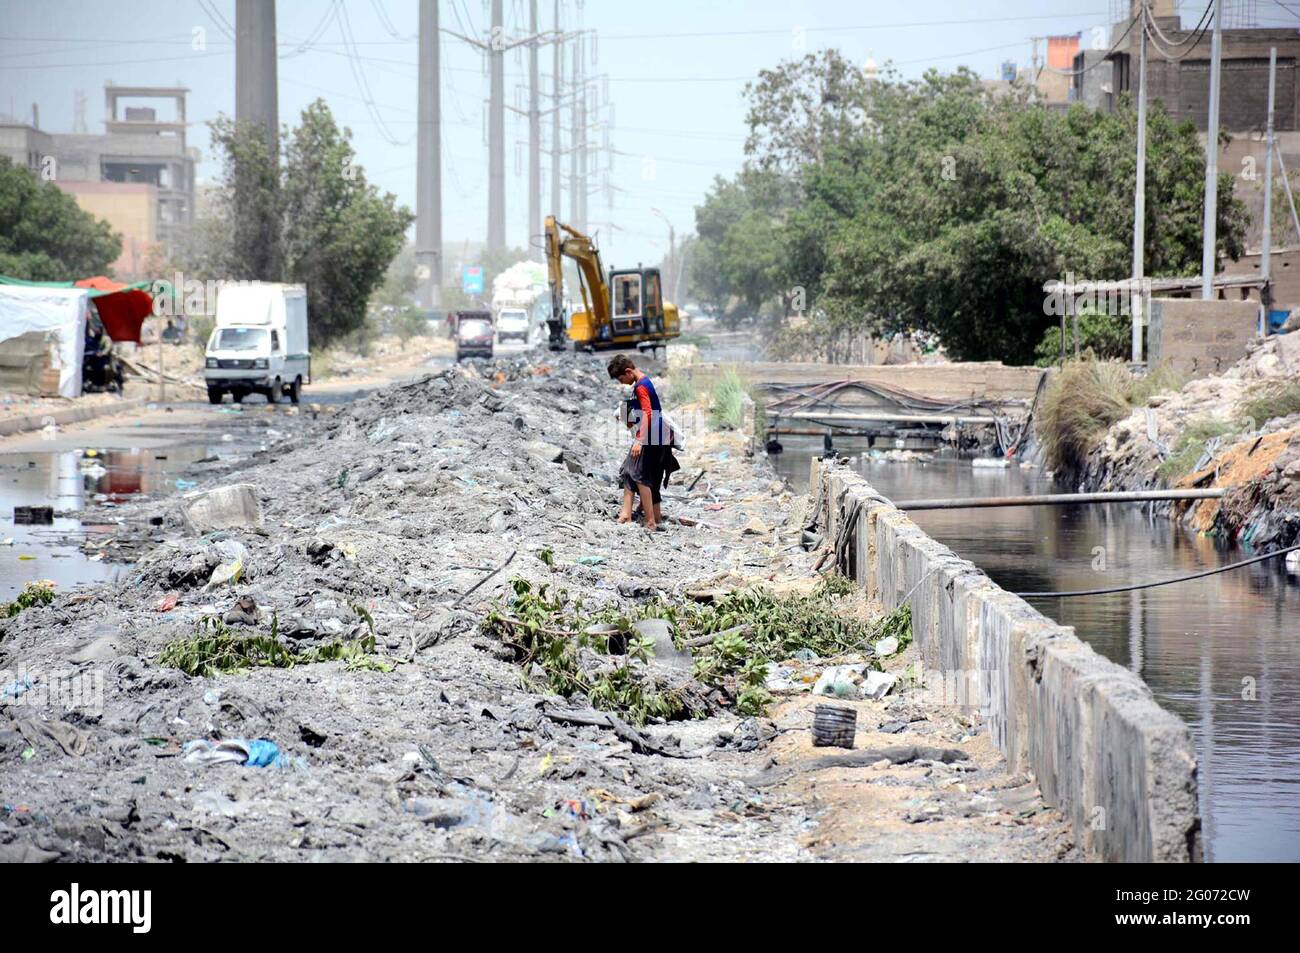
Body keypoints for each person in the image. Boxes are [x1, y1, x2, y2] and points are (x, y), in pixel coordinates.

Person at [608, 354, 675, 531]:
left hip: (650, 436)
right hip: (657, 435)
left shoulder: (641, 387)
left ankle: (650, 521)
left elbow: (648, 413)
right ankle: (630, 514)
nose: (621, 383)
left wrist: (639, 440)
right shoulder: (644, 381)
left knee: (637, 474)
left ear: (628, 372)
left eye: (621, 378)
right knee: (635, 472)